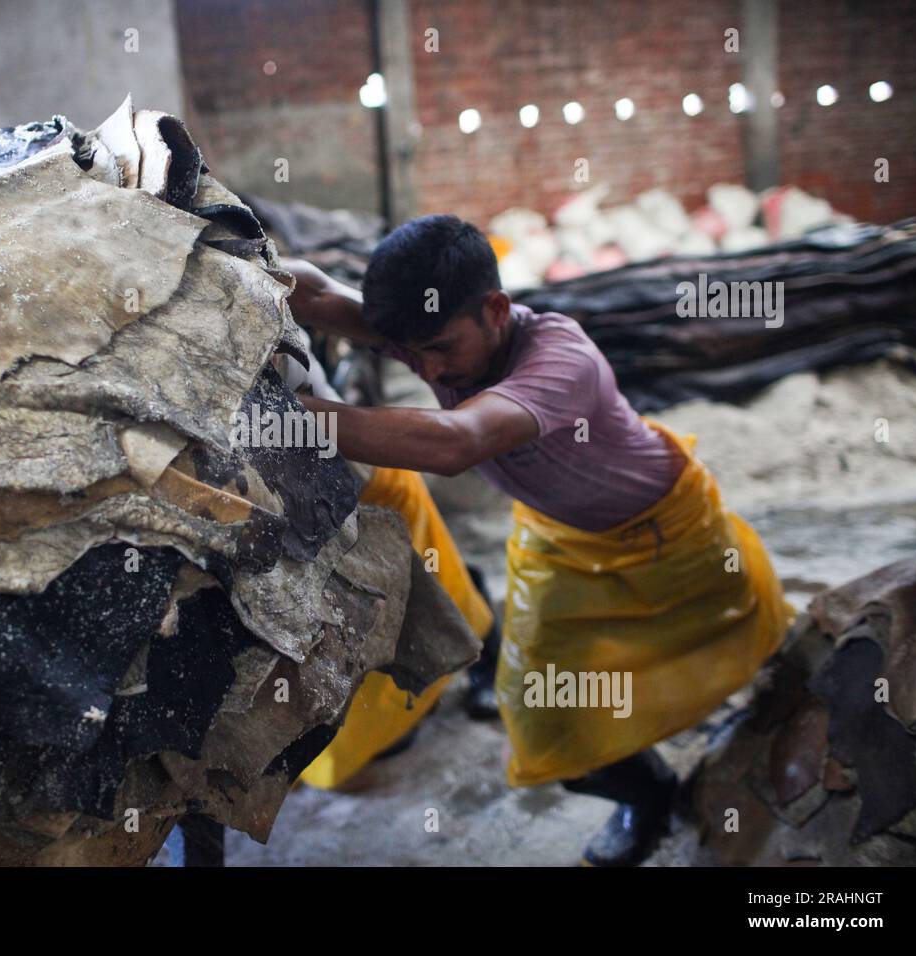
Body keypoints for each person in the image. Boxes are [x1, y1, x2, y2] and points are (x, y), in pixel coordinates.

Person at [280, 216, 791, 866]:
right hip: (559, 542)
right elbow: (320, 296)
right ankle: (649, 792)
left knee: (749, 644)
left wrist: (281, 418)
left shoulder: (560, 356)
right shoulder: (426, 331)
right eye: (411, 352)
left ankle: (756, 720)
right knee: (545, 717)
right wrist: (217, 252)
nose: (428, 367)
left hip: (674, 531)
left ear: (495, 309)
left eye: (439, 349)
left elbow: (456, 442)